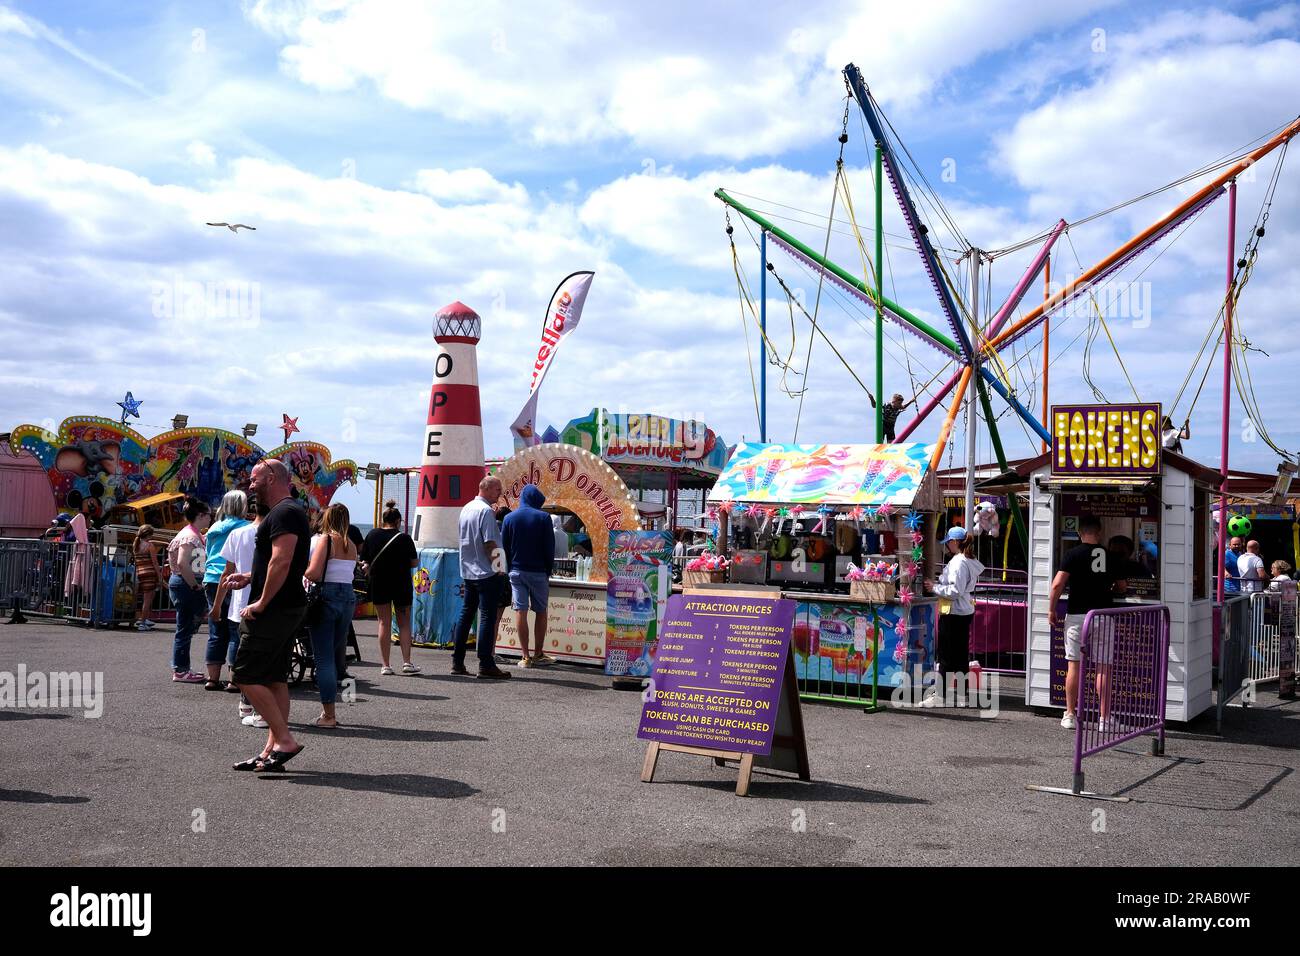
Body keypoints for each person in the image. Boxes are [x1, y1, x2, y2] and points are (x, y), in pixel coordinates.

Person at [225, 459, 311, 772]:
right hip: (285, 605)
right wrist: (250, 576)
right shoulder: (286, 512)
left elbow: (283, 561)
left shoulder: (285, 512)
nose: (250, 485)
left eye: (254, 479)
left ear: (271, 477)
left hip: (276, 608)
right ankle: (271, 750)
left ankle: (285, 740)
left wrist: (261, 601)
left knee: (244, 674)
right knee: (275, 679)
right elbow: (275, 563)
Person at [1048, 514, 1121, 731]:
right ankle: (1105, 718)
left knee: (1074, 664)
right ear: (1099, 533)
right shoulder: (1111, 555)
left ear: (1080, 533)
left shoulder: (1072, 554)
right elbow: (1123, 585)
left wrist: (1051, 610)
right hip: (1103, 614)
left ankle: (1070, 714)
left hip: (1077, 614)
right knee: (1103, 666)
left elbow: (1057, 585)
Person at [210, 497, 266, 727]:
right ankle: (259, 706)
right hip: (265, 599)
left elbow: (227, 572)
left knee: (242, 650)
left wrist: (216, 606)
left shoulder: (237, 534)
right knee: (262, 655)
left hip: (239, 602)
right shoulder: (274, 532)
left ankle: (245, 701)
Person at [451, 477, 512, 679]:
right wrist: (500, 566)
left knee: (467, 614)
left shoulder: (467, 508)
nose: (499, 493)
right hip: (486, 572)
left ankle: (457, 662)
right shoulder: (485, 511)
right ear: (485, 488)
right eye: (497, 489)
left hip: (468, 570)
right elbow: (489, 543)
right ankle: (486, 663)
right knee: (487, 616)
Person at [304, 503, 358, 728]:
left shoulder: (325, 540)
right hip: (348, 597)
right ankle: (335, 706)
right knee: (335, 655)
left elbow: (314, 573)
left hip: (327, 595)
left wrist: (301, 569)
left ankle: (329, 714)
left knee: (323, 658)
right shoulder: (352, 545)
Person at [359, 501, 421, 675]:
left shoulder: (372, 535)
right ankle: (407, 663)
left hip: (379, 583)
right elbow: (414, 562)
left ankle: (385, 665)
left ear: (383, 519)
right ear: (398, 521)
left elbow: (365, 559)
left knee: (383, 623)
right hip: (401, 584)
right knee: (404, 623)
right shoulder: (404, 538)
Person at [925, 527, 984, 699]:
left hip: (953, 611)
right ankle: (961, 692)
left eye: (949, 542)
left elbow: (955, 590)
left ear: (955, 542)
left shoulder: (958, 562)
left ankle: (941, 693)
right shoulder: (968, 560)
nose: (948, 546)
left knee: (946, 654)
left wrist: (934, 587)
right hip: (964, 610)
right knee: (959, 654)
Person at [502, 484, 557, 668]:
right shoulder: (544, 518)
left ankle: (525, 656)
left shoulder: (509, 518)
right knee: (541, 612)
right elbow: (549, 549)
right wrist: (548, 570)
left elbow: (504, 548)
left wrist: (509, 568)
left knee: (520, 611)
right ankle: (539, 653)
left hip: (516, 572)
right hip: (538, 572)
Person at [202, 490, 250, 691]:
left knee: (215, 631)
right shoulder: (245, 527)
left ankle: (212, 678)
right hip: (233, 578)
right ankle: (233, 679)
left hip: (211, 579)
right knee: (234, 630)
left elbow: (207, 554)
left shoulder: (214, 528)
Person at [166, 498, 212, 683]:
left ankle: (181, 667)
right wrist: (194, 585)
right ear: (200, 515)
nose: (211, 518)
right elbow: (182, 563)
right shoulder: (190, 536)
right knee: (185, 628)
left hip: (185, 583)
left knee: (185, 627)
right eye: (209, 515)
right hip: (186, 584)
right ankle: (181, 669)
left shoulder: (193, 534)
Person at [133, 524, 162, 631]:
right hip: (149, 573)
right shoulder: (150, 546)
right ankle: (143, 623)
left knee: (145, 598)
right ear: (149, 534)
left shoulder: (136, 544)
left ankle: (143, 618)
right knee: (147, 600)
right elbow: (154, 562)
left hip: (140, 572)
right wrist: (159, 576)